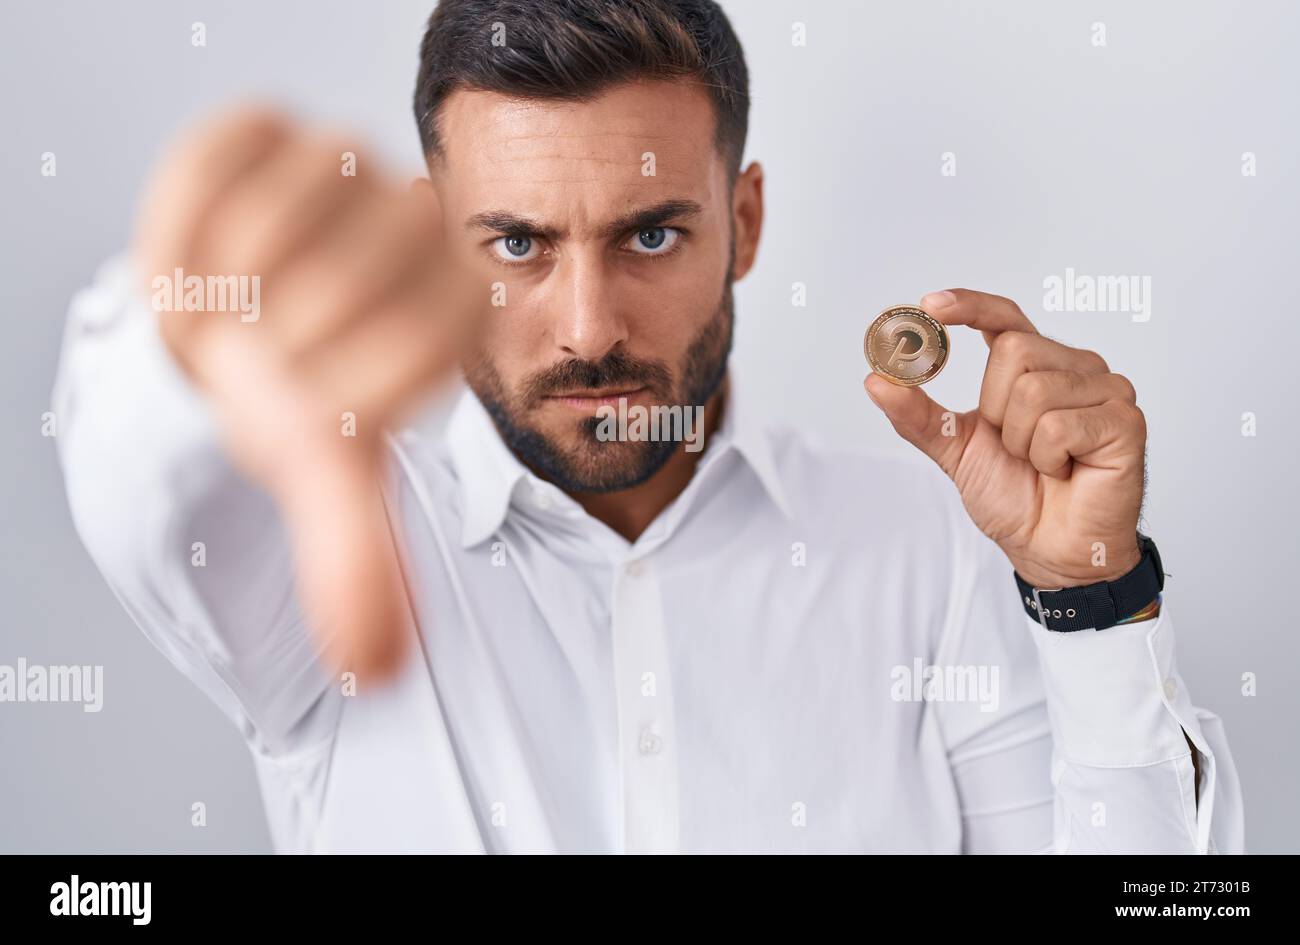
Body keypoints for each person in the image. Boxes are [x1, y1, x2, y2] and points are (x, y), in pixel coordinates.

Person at [52, 0, 1243, 853]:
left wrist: (1088, 603)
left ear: (747, 221)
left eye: (651, 235)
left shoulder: (925, 548)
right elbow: (141, 485)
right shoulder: (318, 554)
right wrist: (190, 338)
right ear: (431, 238)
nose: (586, 328)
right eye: (516, 243)